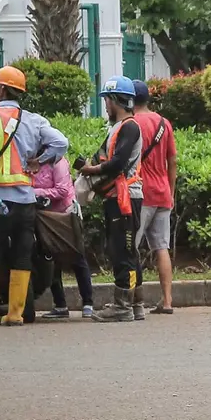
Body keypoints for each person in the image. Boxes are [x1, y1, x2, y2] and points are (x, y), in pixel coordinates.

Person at [0, 66, 67, 328]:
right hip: (26, 203)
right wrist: (40, 161)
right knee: (22, 254)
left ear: (1, 89)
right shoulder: (34, 120)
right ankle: (15, 314)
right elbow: (62, 143)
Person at [78, 76, 142, 323]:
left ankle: (123, 306)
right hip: (119, 196)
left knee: (122, 251)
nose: (105, 105)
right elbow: (104, 157)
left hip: (125, 198)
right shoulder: (118, 129)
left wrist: (91, 171)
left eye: (107, 100)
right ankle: (135, 303)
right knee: (125, 251)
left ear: (117, 100)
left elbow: (117, 164)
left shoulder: (130, 127)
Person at [131, 79, 178, 316]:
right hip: (162, 193)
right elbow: (172, 161)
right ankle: (167, 301)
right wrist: (171, 192)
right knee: (162, 247)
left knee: (132, 247)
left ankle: (132, 299)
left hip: (141, 193)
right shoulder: (163, 123)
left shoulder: (131, 124)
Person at [32, 157, 96, 319]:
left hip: (66, 214)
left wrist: (34, 192)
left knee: (77, 257)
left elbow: (62, 190)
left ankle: (88, 302)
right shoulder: (33, 163)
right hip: (47, 216)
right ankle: (60, 305)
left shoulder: (58, 162)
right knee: (51, 256)